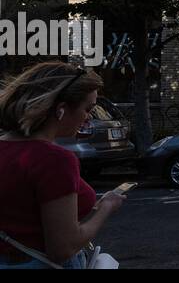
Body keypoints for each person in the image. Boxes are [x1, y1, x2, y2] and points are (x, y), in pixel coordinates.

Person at [0, 62, 127, 269]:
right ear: (61, 110)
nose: (88, 118)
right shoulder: (54, 160)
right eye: (88, 109)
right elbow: (62, 249)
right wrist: (106, 207)